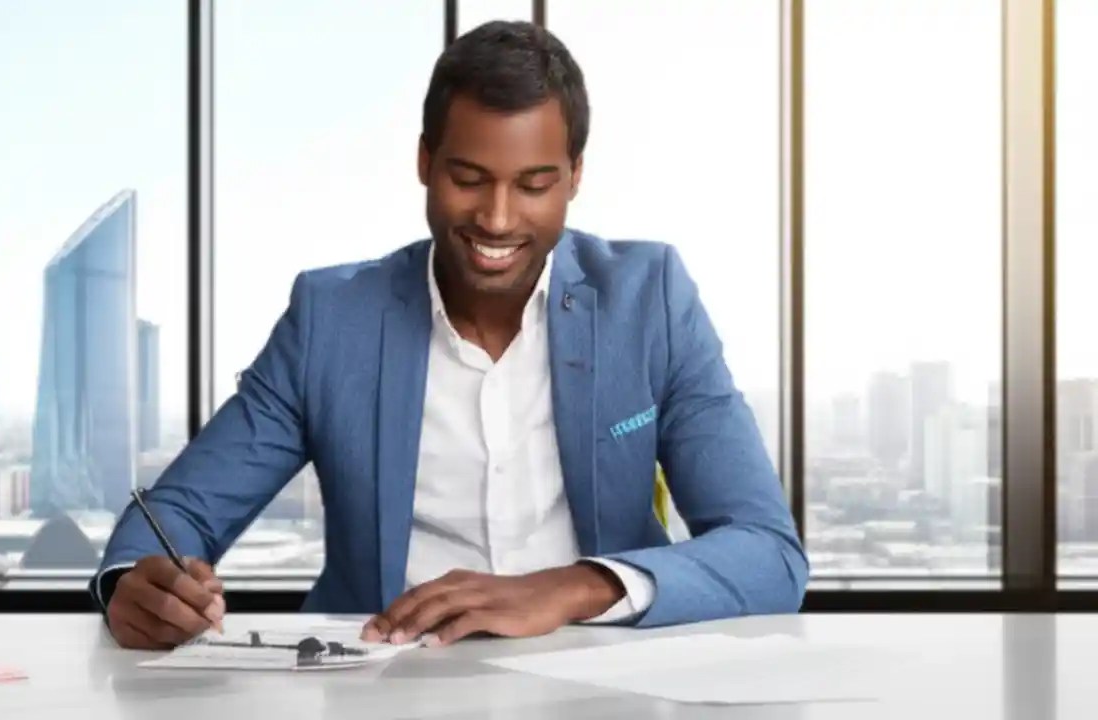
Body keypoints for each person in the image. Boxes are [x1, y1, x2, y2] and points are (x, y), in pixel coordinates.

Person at [93, 20, 807, 651]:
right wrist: (136, 585)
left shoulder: (649, 300)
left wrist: (570, 588)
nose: (497, 218)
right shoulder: (331, 319)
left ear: (575, 177)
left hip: (603, 678)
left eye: (534, 185)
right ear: (425, 162)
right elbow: (180, 510)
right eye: (468, 178)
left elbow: (768, 552)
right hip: (386, 681)